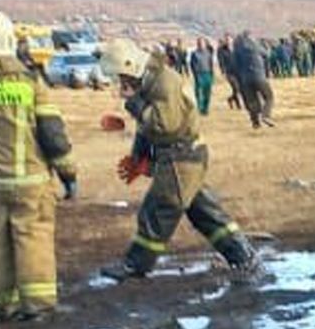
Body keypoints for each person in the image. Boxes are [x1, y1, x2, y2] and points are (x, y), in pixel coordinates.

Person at [96, 38, 261, 282]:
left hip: (182, 157)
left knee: (158, 209)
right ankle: (243, 257)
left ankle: (136, 264)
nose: (120, 85)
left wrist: (133, 103)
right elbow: (146, 129)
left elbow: (165, 125)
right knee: (204, 212)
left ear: (130, 66)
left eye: (120, 78)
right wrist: (137, 158)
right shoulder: (151, 81)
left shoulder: (164, 82)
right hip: (182, 157)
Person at [0, 10, 76, 321]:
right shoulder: (30, 82)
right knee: (33, 239)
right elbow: (52, 134)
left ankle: (0, 305)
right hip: (30, 180)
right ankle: (38, 306)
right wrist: (68, 174)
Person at [232, 31, 275, 128]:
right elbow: (267, 54)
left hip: (245, 79)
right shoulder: (255, 46)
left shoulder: (237, 50)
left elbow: (234, 65)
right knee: (269, 97)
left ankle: (255, 123)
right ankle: (266, 115)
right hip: (259, 76)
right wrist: (266, 46)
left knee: (252, 101)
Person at [188, 38, 215, 116]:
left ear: (205, 44)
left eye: (202, 43)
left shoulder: (208, 53)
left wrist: (212, 75)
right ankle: (200, 108)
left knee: (207, 93)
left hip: (207, 74)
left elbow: (211, 64)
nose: (201, 44)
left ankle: (205, 109)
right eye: (199, 43)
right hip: (199, 74)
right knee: (199, 93)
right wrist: (195, 75)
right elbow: (192, 65)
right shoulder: (194, 53)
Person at [217, 35, 242, 111]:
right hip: (229, 72)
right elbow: (221, 61)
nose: (228, 41)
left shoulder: (236, 48)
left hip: (238, 71)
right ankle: (238, 105)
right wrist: (223, 71)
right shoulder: (222, 50)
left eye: (229, 39)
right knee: (236, 88)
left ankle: (230, 99)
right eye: (226, 39)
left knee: (239, 89)